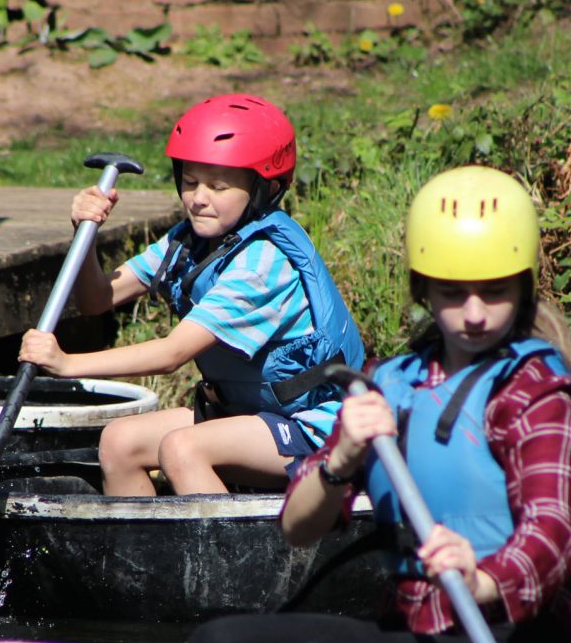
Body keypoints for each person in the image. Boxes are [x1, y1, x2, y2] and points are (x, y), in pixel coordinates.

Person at [187, 165, 571, 643]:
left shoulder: (539, 394)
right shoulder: (392, 383)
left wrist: (479, 581)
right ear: (424, 290)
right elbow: (298, 528)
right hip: (414, 632)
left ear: (523, 288)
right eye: (452, 293)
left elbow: (551, 534)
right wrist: (340, 460)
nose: (474, 313)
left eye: (494, 292)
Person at [19, 93, 364, 496]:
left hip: (317, 427)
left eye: (218, 186)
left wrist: (67, 364)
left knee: (182, 449)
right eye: (190, 181)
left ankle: (223, 541)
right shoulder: (188, 243)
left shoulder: (261, 265)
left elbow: (172, 354)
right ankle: (138, 540)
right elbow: (96, 299)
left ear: (264, 189)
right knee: (119, 442)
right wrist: (85, 233)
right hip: (248, 415)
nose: (199, 199)